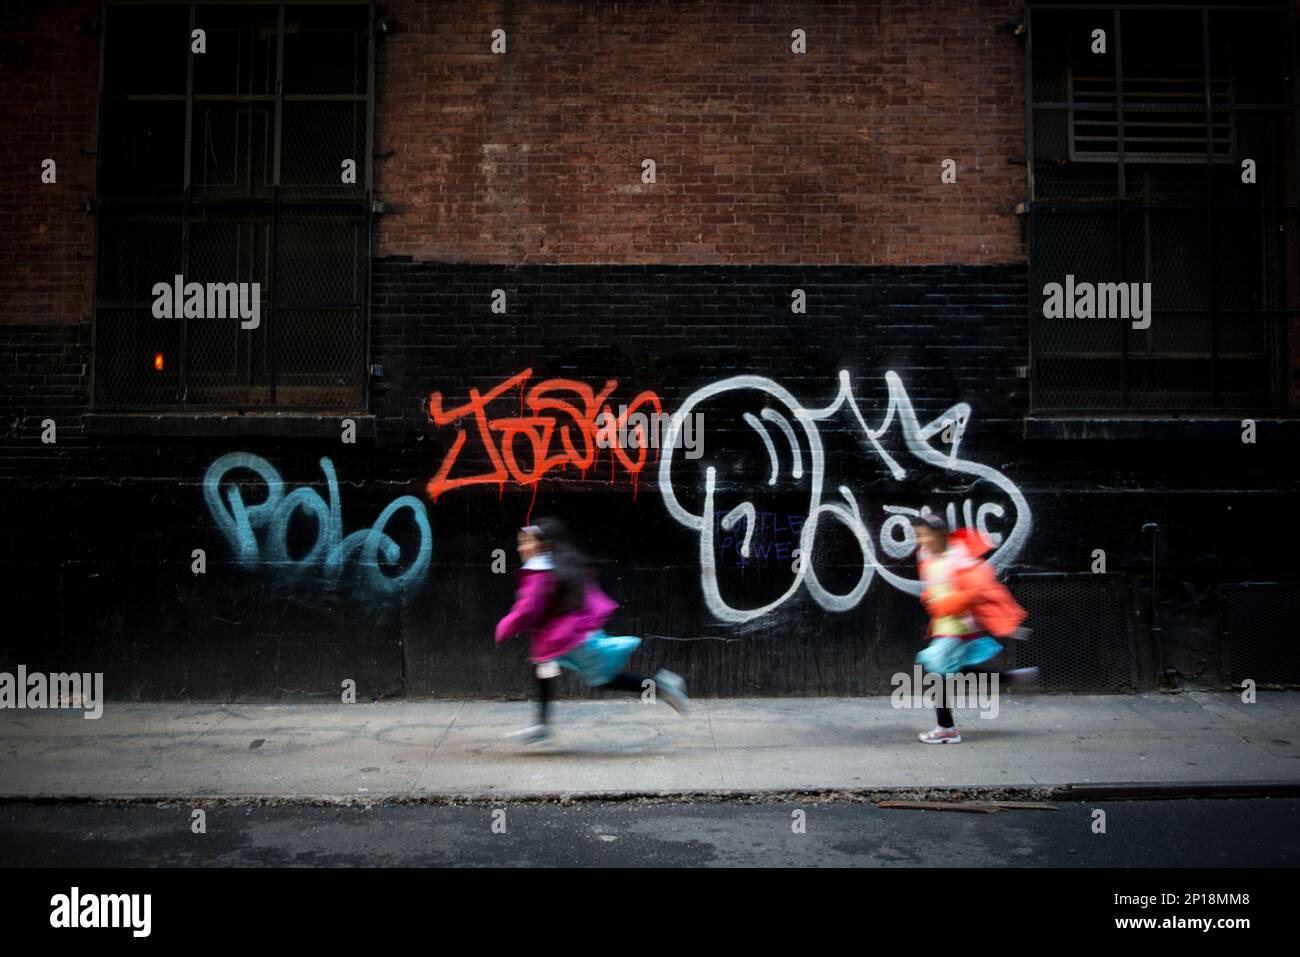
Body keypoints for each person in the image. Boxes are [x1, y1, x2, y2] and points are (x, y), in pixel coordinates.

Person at [495, 517, 688, 744]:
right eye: (521, 543)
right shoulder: (558, 565)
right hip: (569, 638)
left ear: (543, 545)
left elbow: (528, 609)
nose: (522, 548)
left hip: (567, 641)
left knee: (602, 678)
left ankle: (663, 687)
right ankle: (542, 725)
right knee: (547, 666)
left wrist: (504, 627)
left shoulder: (540, 572)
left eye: (528, 542)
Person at [910, 513, 1037, 744]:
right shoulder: (926, 555)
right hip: (944, 625)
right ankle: (1010, 677)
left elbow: (978, 592)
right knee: (950, 671)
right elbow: (934, 588)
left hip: (958, 626)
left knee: (936, 670)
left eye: (923, 534)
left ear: (938, 534)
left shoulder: (958, 559)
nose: (920, 540)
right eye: (917, 535)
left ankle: (946, 728)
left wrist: (1005, 624)